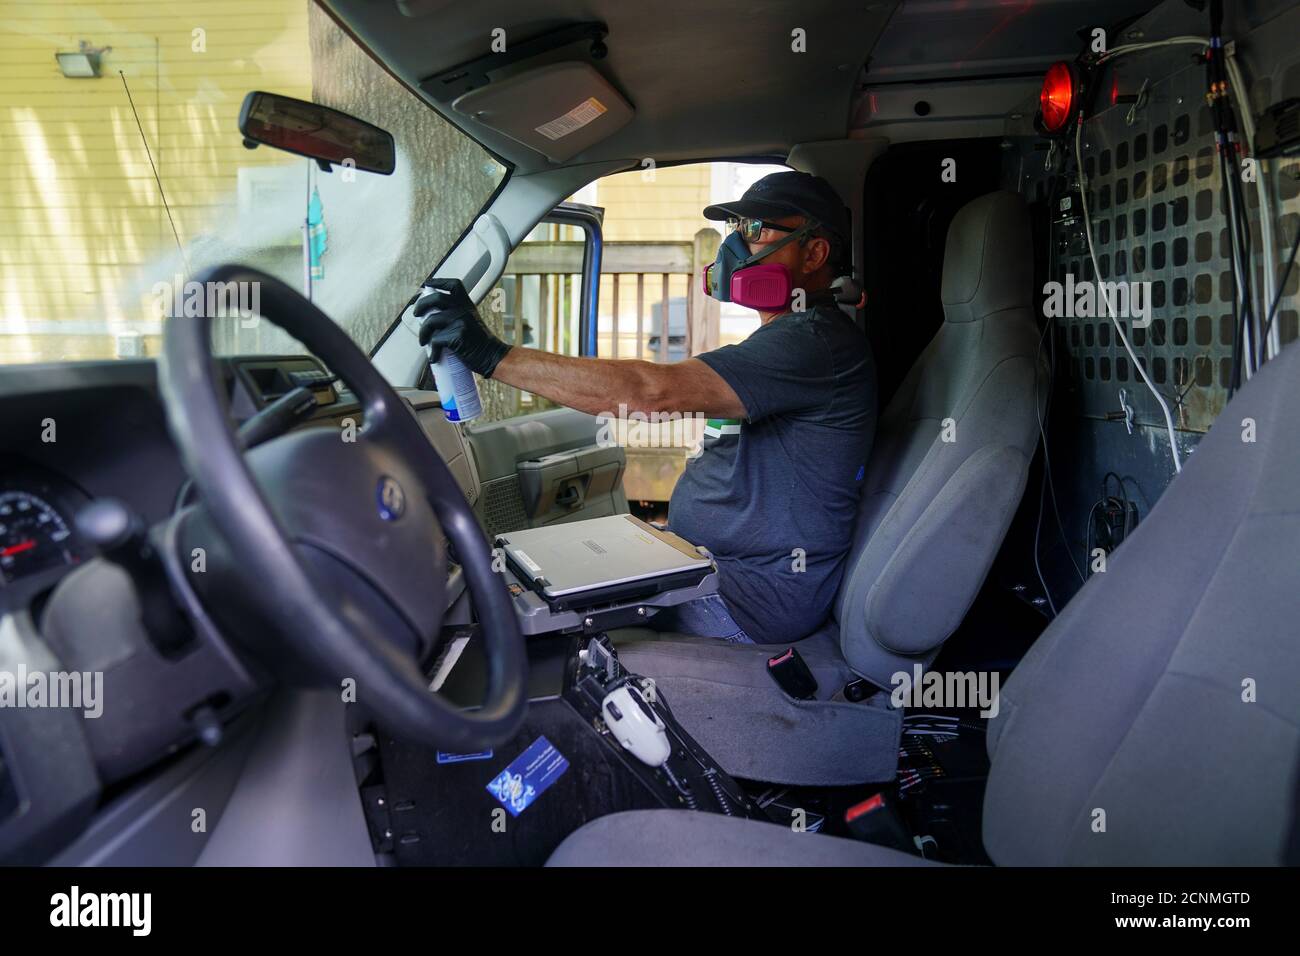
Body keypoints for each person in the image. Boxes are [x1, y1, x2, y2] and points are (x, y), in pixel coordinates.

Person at [416, 171, 876, 645]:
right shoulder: (787, 337)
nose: (736, 246)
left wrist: (494, 356)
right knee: (522, 578)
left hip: (747, 596)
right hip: (707, 565)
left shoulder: (813, 342)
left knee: (508, 614)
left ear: (815, 253)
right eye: (735, 228)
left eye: (755, 231)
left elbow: (650, 392)